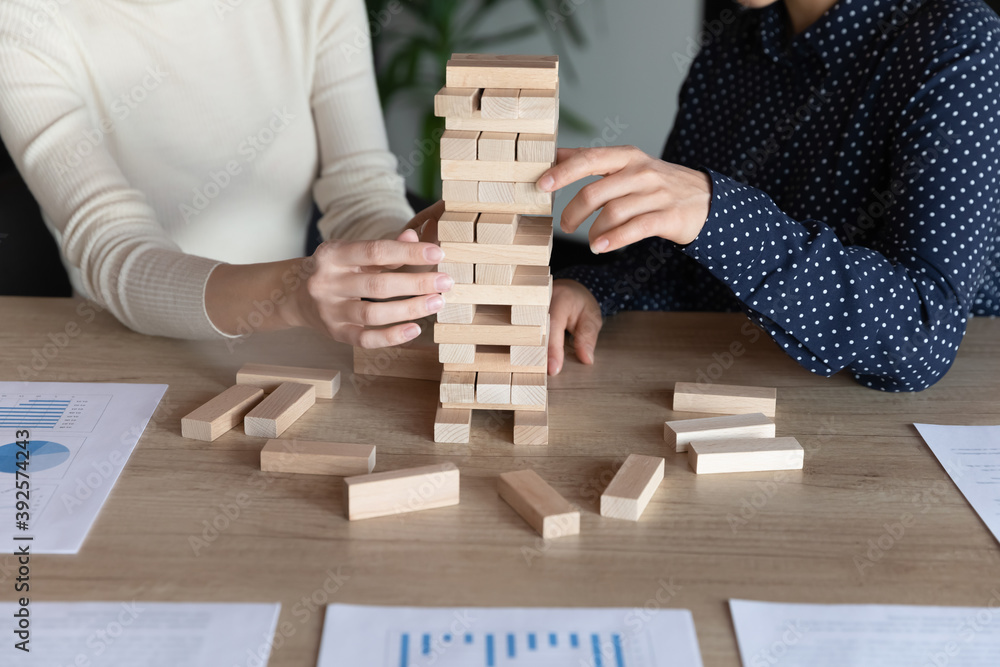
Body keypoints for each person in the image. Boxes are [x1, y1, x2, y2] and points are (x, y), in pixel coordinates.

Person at [542, 0, 1000, 391]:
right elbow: (677, 272)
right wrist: (596, 292)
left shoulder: (958, 40)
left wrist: (720, 216)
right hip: (733, 400)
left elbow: (924, 336)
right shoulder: (730, 50)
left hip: (900, 438)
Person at [0, 0, 449, 348]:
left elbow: (360, 195)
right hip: (124, 356)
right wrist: (287, 296)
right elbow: (115, 252)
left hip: (290, 348)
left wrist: (418, 254)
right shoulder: (22, 22)